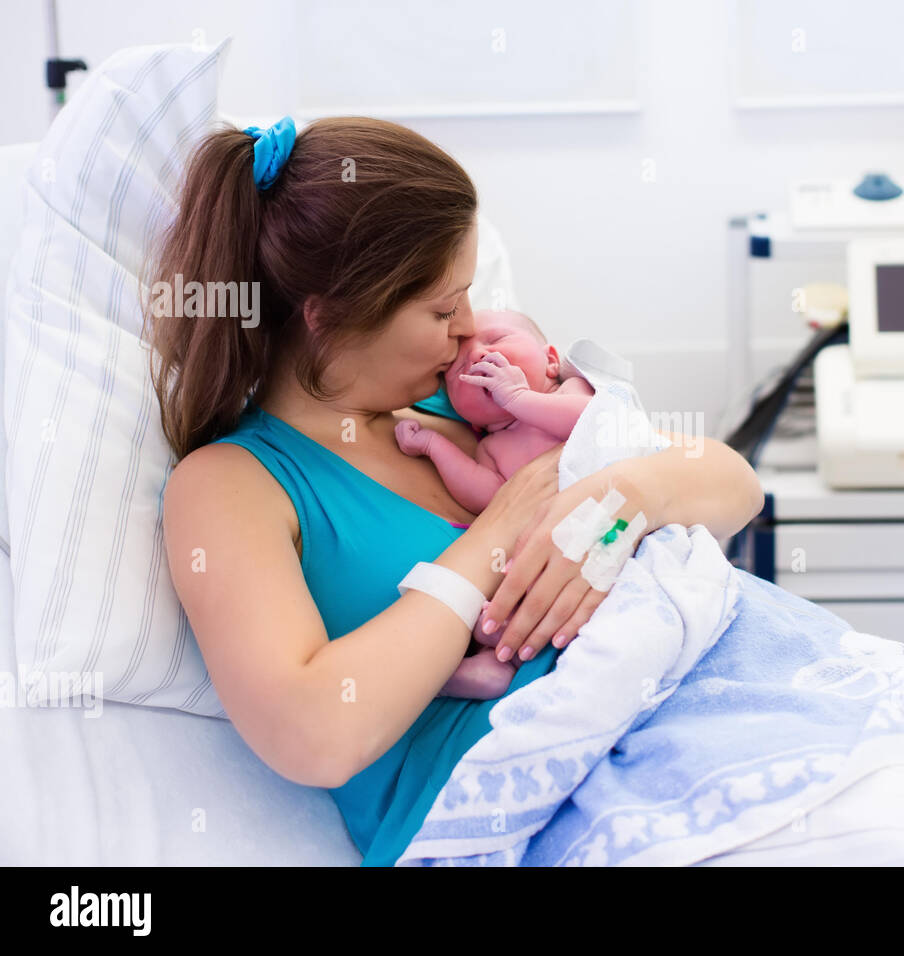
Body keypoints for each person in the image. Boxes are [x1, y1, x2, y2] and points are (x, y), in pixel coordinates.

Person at [148, 116, 763, 866]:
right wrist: (496, 533)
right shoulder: (231, 486)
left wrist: (629, 495)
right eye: (443, 309)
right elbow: (314, 733)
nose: (470, 328)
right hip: (530, 803)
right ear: (327, 318)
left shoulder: (462, 401)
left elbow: (735, 485)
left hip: (702, 698)